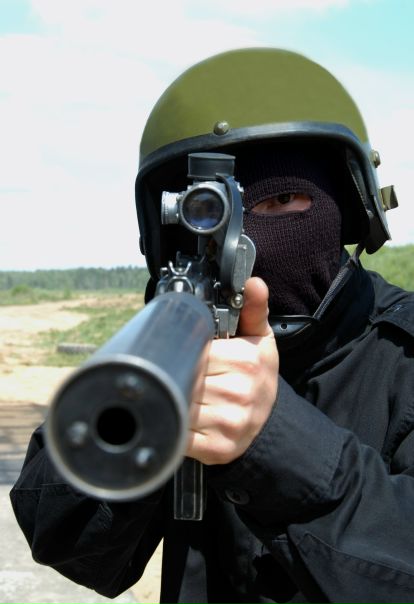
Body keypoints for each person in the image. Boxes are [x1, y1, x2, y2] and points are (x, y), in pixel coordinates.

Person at [10, 47, 414, 603]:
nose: (239, 242)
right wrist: (142, 394)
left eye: (283, 199)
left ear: (353, 207)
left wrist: (277, 442)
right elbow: (66, 543)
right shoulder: (173, 344)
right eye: (208, 212)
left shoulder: (402, 358)